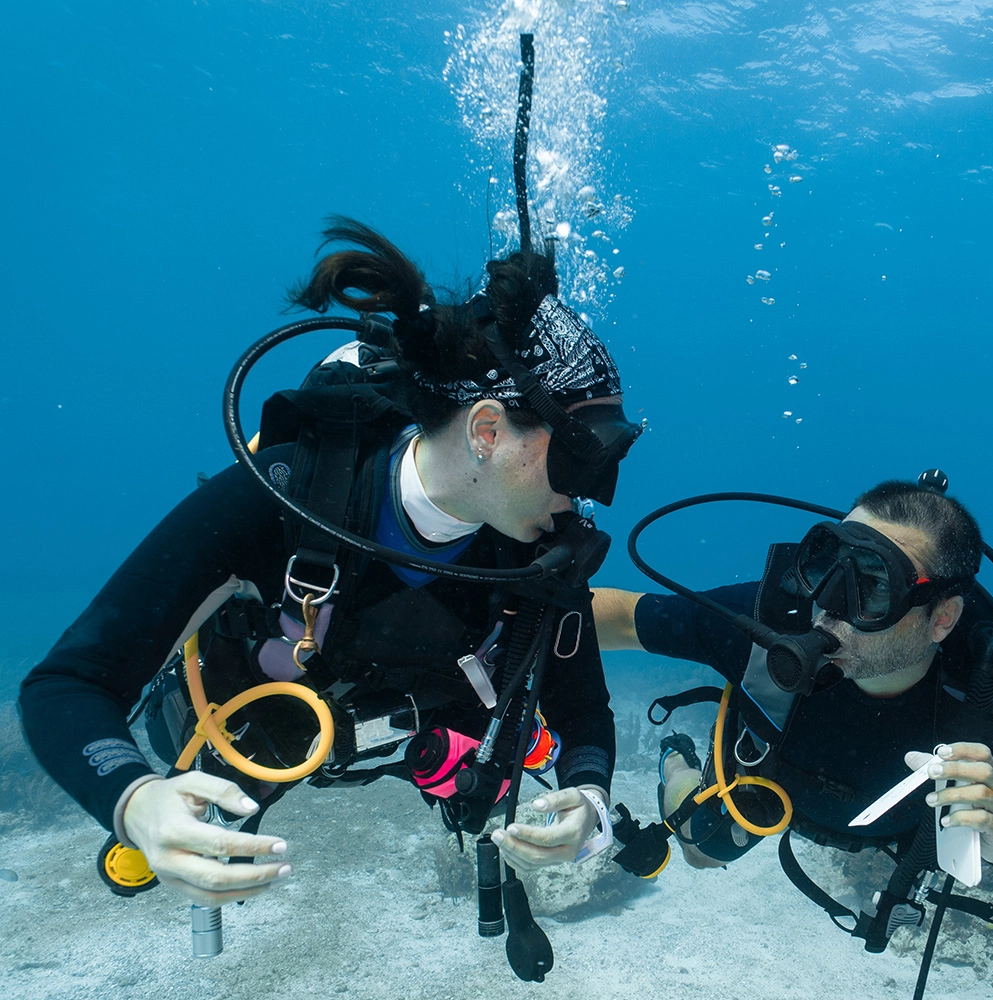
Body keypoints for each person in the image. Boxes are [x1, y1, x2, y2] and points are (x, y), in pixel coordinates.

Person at [19, 218, 642, 913]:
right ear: (487, 431)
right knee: (164, 846)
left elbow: (582, 705)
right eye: (581, 455)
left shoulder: (538, 554)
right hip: (261, 717)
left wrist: (589, 794)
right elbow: (67, 682)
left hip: (417, 720)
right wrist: (132, 798)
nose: (592, 493)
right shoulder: (286, 494)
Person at [593, 478, 993, 936]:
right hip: (771, 786)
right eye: (827, 566)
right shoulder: (773, 620)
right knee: (701, 851)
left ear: (942, 618)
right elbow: (617, 615)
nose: (828, 607)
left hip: (899, 834)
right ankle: (676, 758)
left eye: (873, 587)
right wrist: (511, 611)